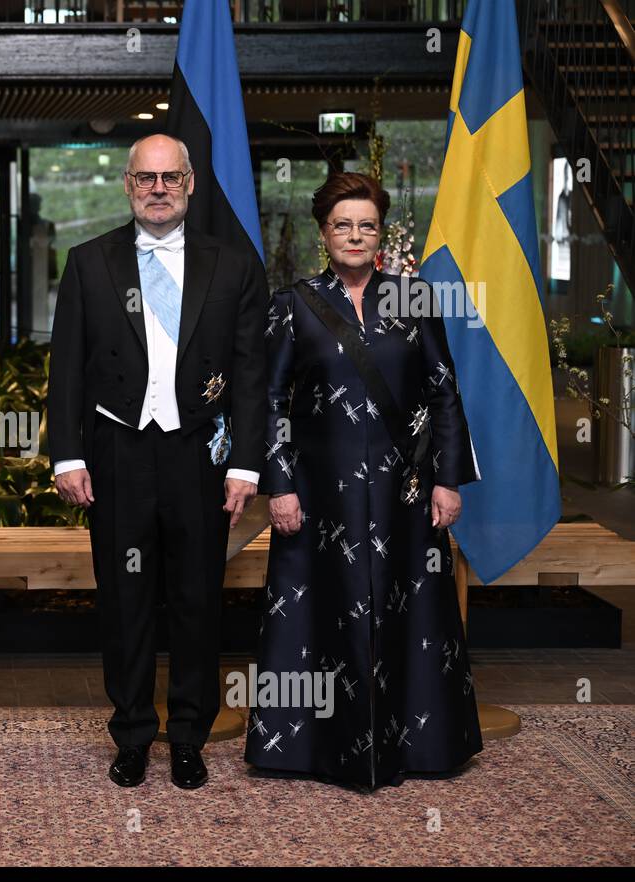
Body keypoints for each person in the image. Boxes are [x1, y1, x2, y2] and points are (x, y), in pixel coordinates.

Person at [244, 171, 483, 790]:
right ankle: (313, 750)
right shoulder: (293, 304)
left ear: (381, 234)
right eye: (342, 225)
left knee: (415, 615)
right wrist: (281, 484)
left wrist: (447, 480)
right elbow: (270, 400)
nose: (355, 235)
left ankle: (421, 746)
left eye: (367, 225)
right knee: (319, 616)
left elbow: (443, 392)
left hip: (407, 492)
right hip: (320, 497)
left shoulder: (413, 298)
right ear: (324, 234)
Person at [47, 133, 269, 789]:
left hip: (201, 454)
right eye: (146, 178)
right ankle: (134, 732)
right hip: (117, 453)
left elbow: (252, 373)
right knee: (125, 600)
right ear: (127, 184)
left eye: (170, 177)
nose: (158, 188)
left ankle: (189, 736)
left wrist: (246, 465)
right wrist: (67, 453)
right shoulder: (89, 263)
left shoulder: (233, 265)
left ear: (191, 183)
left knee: (198, 600)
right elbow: (66, 371)